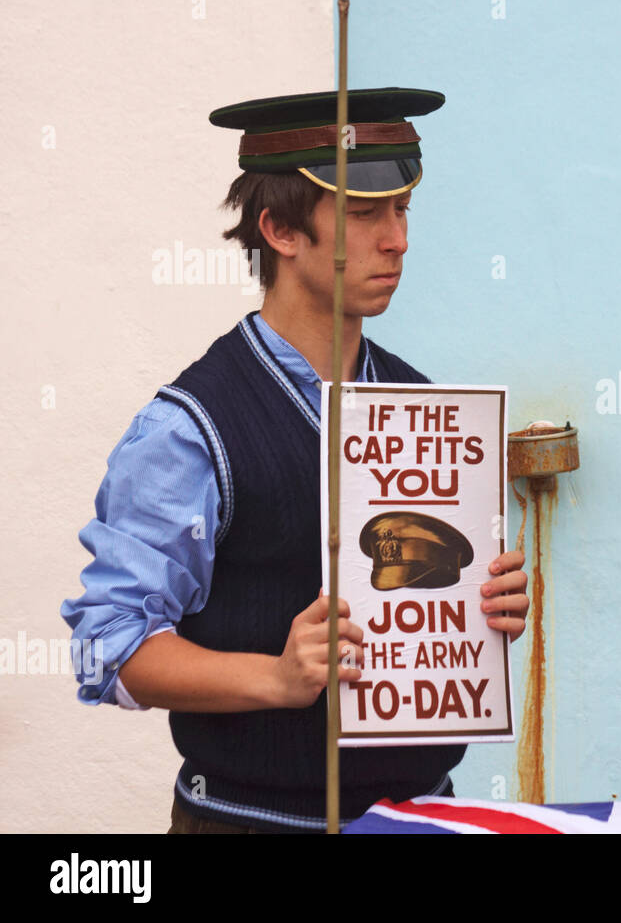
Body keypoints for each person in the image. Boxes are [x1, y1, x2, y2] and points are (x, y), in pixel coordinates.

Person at [60, 88, 530, 833]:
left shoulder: (428, 406)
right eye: (364, 214)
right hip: (251, 820)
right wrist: (275, 679)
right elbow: (108, 647)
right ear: (279, 229)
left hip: (419, 818)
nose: (397, 238)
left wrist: (485, 610)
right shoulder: (191, 426)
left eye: (402, 209)